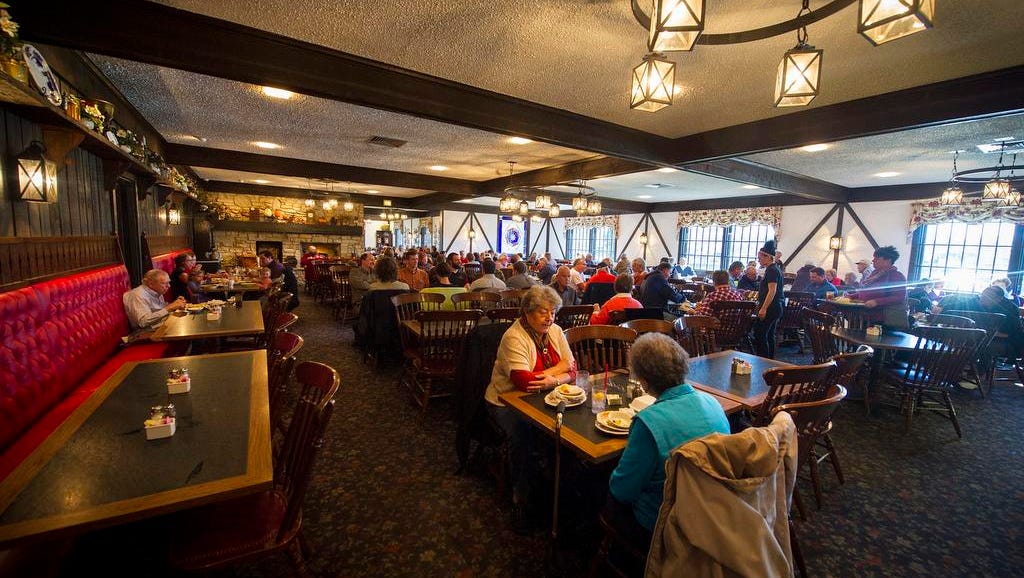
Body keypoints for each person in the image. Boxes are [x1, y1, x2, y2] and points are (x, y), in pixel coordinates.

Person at [606, 333, 730, 545]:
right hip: (713, 511)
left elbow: (622, 491)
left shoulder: (647, 422)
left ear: (644, 382)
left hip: (663, 524)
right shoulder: (713, 403)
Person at [485, 286, 577, 532]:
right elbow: (524, 382)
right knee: (523, 437)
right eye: (543, 312)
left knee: (573, 430)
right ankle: (521, 497)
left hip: (548, 395)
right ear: (526, 312)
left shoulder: (556, 331)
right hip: (506, 400)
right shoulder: (514, 337)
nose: (550, 318)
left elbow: (573, 368)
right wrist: (559, 372)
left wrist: (550, 380)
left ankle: (562, 491)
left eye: (553, 312)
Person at [847, 246, 908, 327]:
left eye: (877, 258)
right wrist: (851, 296)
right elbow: (866, 291)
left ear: (888, 260)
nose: (873, 260)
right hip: (865, 315)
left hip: (881, 319)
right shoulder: (875, 274)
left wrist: (876, 301)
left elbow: (899, 297)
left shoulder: (896, 276)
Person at [123, 269, 187, 330]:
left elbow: (160, 308)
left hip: (159, 325)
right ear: (151, 284)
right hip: (144, 332)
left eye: (168, 282)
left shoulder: (157, 291)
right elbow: (143, 322)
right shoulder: (137, 295)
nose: (169, 286)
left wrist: (176, 304)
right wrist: (169, 308)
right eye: (164, 283)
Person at [753, 240, 784, 358]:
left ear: (767, 257)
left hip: (771, 307)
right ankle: (769, 359)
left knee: (760, 334)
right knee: (769, 335)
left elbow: (772, 290)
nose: (758, 260)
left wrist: (763, 308)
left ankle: (762, 359)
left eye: (760, 257)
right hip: (777, 306)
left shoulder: (771, 270)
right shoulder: (776, 268)